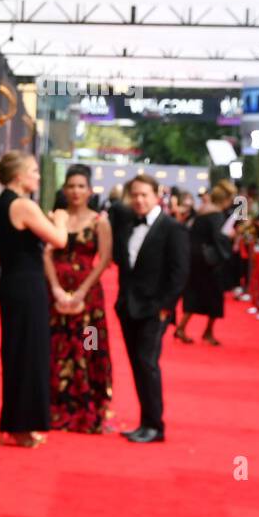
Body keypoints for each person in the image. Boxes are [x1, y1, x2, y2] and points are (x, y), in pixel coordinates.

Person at [0, 151, 69, 447]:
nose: (38, 176)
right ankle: (22, 427)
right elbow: (60, 240)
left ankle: (19, 424)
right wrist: (60, 219)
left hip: (11, 284)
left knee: (17, 352)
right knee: (29, 355)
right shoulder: (23, 205)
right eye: (34, 171)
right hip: (28, 286)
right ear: (19, 176)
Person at [107, 175, 190, 443]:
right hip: (129, 307)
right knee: (138, 365)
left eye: (144, 195)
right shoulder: (128, 224)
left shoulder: (172, 228)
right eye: (135, 195)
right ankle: (145, 422)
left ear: (157, 196)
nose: (139, 200)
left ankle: (155, 425)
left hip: (155, 310)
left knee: (147, 363)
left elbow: (179, 274)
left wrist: (164, 308)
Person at [42, 164, 113, 432]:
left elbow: (104, 259)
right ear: (64, 189)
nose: (75, 191)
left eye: (81, 186)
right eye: (71, 186)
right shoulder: (54, 218)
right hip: (55, 293)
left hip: (90, 298)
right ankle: (55, 403)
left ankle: (90, 403)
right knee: (56, 343)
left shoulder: (99, 221)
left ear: (90, 190)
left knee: (90, 345)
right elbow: (46, 254)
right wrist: (56, 288)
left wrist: (82, 291)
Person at [177, 184, 235, 346]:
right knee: (214, 297)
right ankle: (207, 331)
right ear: (225, 199)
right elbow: (219, 238)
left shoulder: (202, 210)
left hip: (195, 258)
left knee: (194, 294)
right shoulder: (216, 214)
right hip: (209, 262)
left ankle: (182, 327)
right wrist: (229, 237)